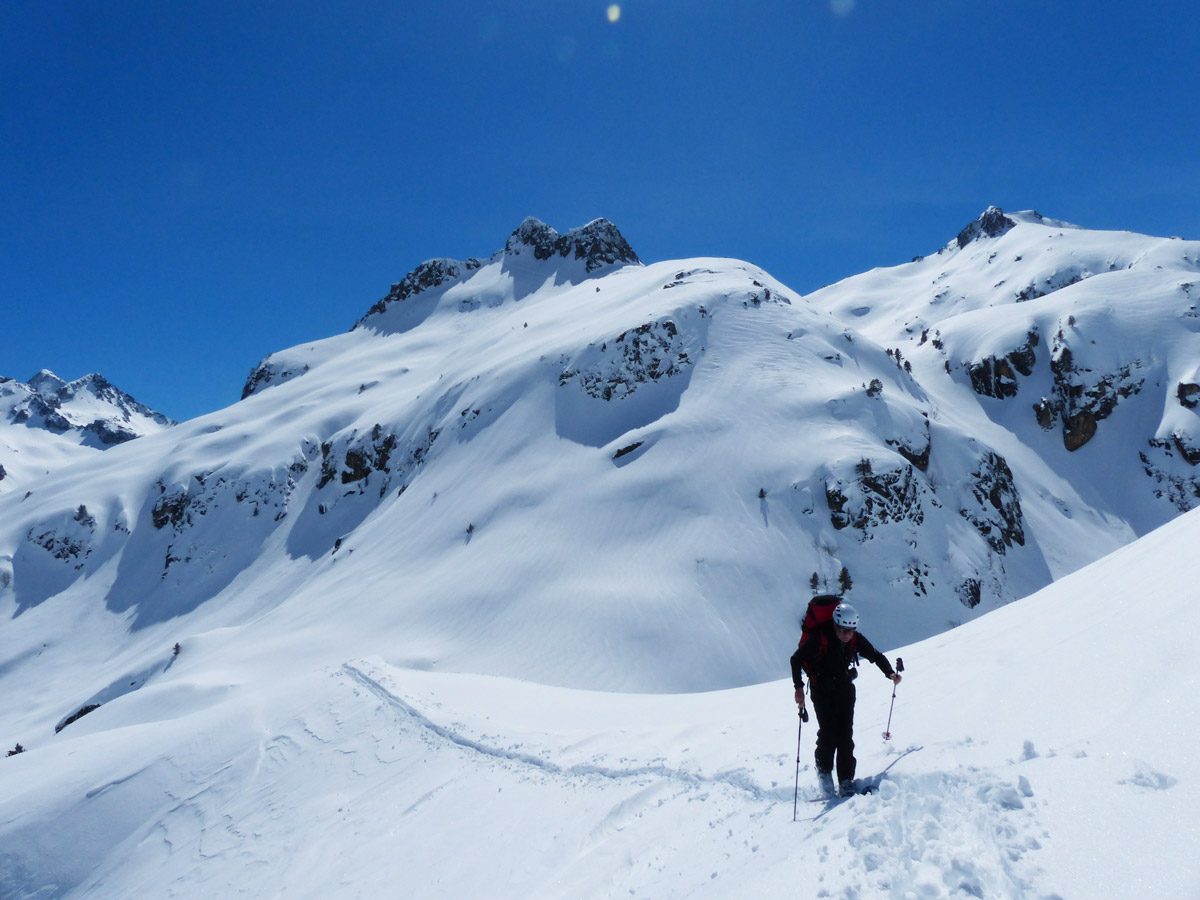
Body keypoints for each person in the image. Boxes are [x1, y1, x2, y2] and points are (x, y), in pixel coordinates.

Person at [790, 601, 900, 797]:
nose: (847, 635)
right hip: (821, 692)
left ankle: (846, 780)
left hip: (845, 690)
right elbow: (796, 659)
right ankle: (824, 772)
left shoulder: (855, 639)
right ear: (834, 624)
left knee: (845, 735)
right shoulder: (819, 638)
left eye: (850, 631)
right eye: (843, 631)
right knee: (828, 732)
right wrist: (798, 688)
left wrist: (890, 673)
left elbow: (874, 655)